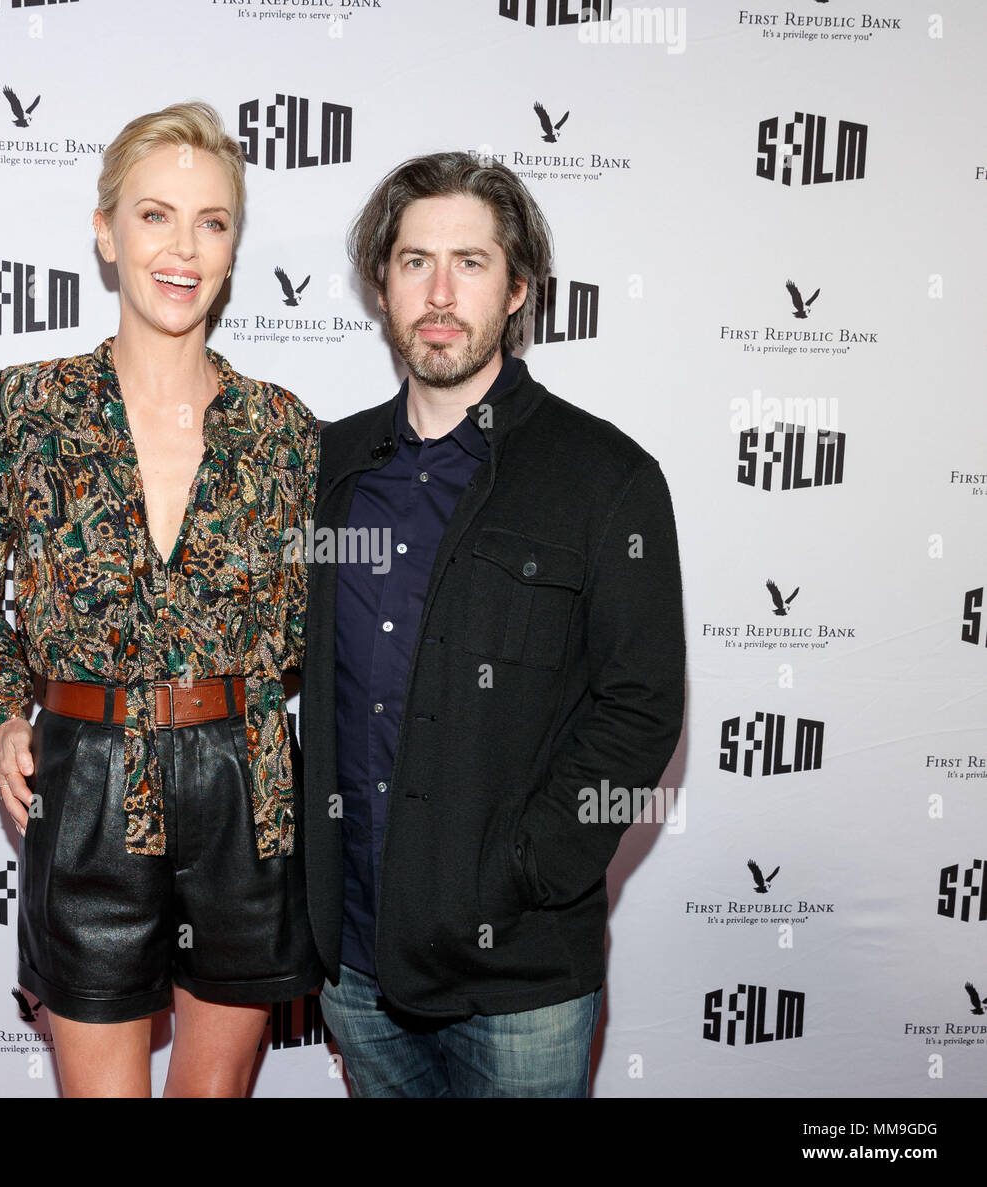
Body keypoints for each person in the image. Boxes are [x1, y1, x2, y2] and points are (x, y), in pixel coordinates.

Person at [0, 101, 322, 1097]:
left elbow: (316, 632)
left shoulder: (285, 433)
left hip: (246, 791)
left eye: (212, 221)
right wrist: (7, 714)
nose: (182, 247)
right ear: (105, 232)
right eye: (154, 215)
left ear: (233, 246)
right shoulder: (21, 410)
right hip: (88, 785)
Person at [301, 151, 685, 1097]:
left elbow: (638, 709)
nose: (439, 292)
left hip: (520, 981)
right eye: (413, 261)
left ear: (517, 289)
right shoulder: (324, 465)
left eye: (469, 263)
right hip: (354, 965)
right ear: (380, 286)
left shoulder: (605, 477)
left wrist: (523, 868)